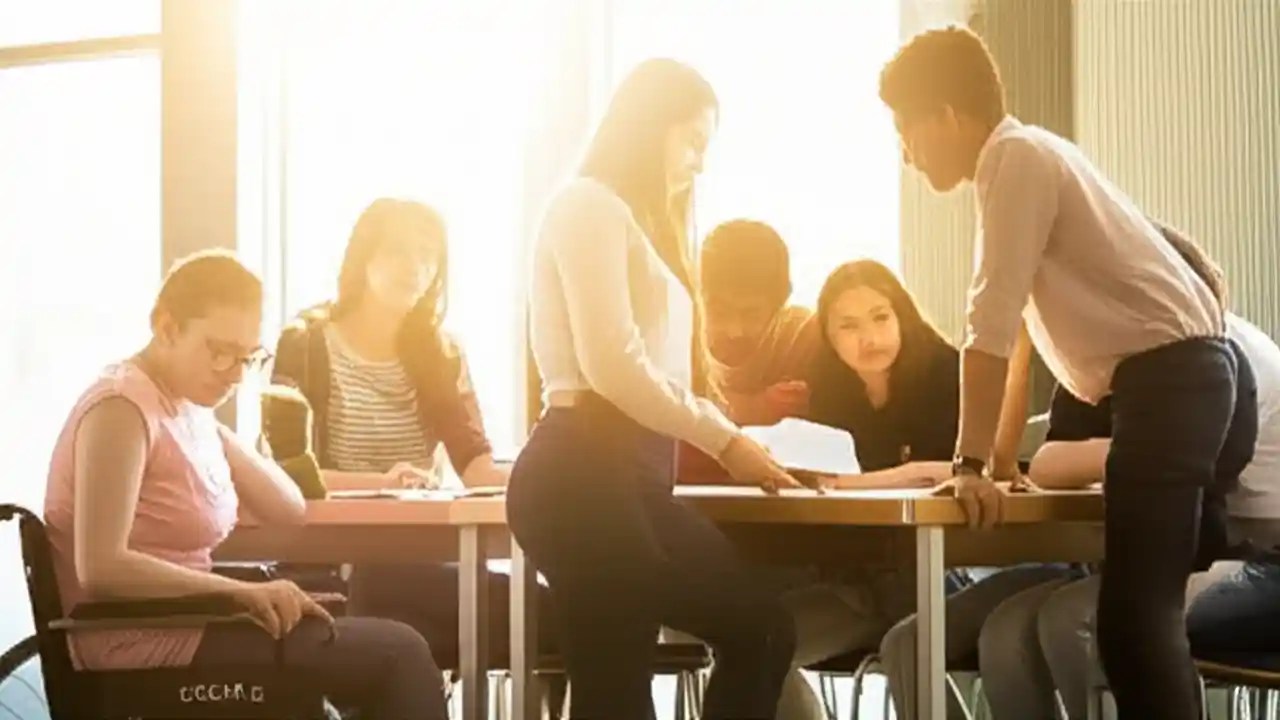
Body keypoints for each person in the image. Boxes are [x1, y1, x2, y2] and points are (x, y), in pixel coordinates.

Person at [879, 26, 1256, 718]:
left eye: (906, 130)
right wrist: (989, 461)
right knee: (1143, 624)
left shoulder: (1015, 159)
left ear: (946, 116)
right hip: (1195, 381)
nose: (905, 154)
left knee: (1135, 627)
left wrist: (966, 463)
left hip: (1174, 384)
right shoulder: (1033, 156)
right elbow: (1015, 327)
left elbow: (986, 325)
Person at [505, 58, 800, 720]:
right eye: (692, 140)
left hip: (631, 475)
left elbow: (659, 373)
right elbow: (612, 365)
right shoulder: (588, 205)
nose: (699, 161)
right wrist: (727, 441)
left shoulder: (637, 223)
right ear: (649, 127)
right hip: (580, 469)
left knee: (763, 628)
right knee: (616, 689)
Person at [42, 250, 446, 719]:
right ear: (167, 327)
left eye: (246, 356)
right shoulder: (120, 411)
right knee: (400, 654)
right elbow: (101, 567)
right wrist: (239, 594)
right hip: (135, 639)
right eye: (218, 352)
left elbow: (287, 508)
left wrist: (213, 429)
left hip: (188, 623)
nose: (234, 374)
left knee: (382, 649)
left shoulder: (183, 406)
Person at [974, 222, 1276, 720]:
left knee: (1077, 621)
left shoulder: (1219, 355)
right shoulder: (1110, 357)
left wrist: (1138, 445)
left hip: (1259, 558)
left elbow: (1196, 472)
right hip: (1169, 552)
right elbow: (1047, 465)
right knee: (1006, 633)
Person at [266, 198, 558, 681]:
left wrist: (561, 476)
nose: (415, 267)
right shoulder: (305, 342)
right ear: (365, 256)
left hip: (416, 563)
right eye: (400, 251)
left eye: (428, 256)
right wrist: (380, 481)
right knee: (431, 626)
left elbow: (478, 468)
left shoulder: (440, 352)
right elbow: (287, 473)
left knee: (564, 613)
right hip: (328, 565)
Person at [805, 259, 1071, 720]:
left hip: (953, 566)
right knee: (761, 636)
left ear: (902, 315)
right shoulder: (829, 393)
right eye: (848, 326)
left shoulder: (948, 373)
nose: (868, 337)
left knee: (906, 640)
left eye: (880, 317)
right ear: (828, 338)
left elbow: (953, 474)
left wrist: (851, 484)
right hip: (867, 574)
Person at [678, 219, 820, 484]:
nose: (735, 330)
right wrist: (752, 407)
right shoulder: (675, 332)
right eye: (719, 311)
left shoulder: (805, 335)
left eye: (751, 313)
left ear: (781, 301)